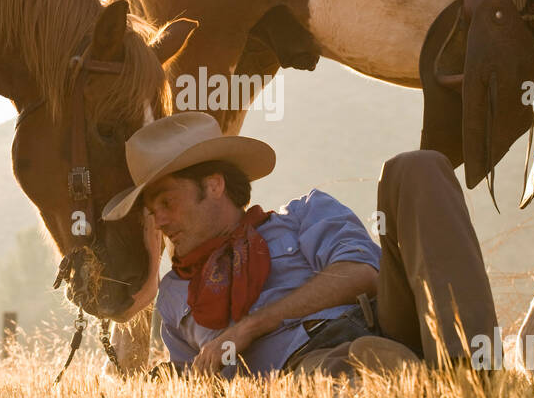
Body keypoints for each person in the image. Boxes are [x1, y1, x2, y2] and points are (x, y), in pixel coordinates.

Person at [102, 111, 498, 379]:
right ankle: (392, 379)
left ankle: (468, 372)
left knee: (416, 166)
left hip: (386, 319)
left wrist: (248, 327)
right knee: (347, 372)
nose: (159, 222)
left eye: (166, 203)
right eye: (152, 212)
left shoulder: (306, 213)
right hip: (302, 365)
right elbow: (200, 388)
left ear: (214, 186)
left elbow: (364, 273)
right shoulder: (173, 296)